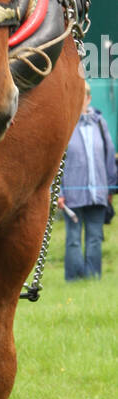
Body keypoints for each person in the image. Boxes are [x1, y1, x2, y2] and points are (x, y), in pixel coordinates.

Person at [58, 83, 117, 280]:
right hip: (72, 195)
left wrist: (110, 187)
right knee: (73, 239)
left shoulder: (100, 123)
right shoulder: (65, 125)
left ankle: (93, 278)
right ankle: (74, 280)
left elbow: (109, 158)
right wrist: (59, 193)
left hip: (98, 193)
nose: (80, 99)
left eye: (83, 95)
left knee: (95, 239)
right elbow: (56, 162)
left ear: (89, 98)